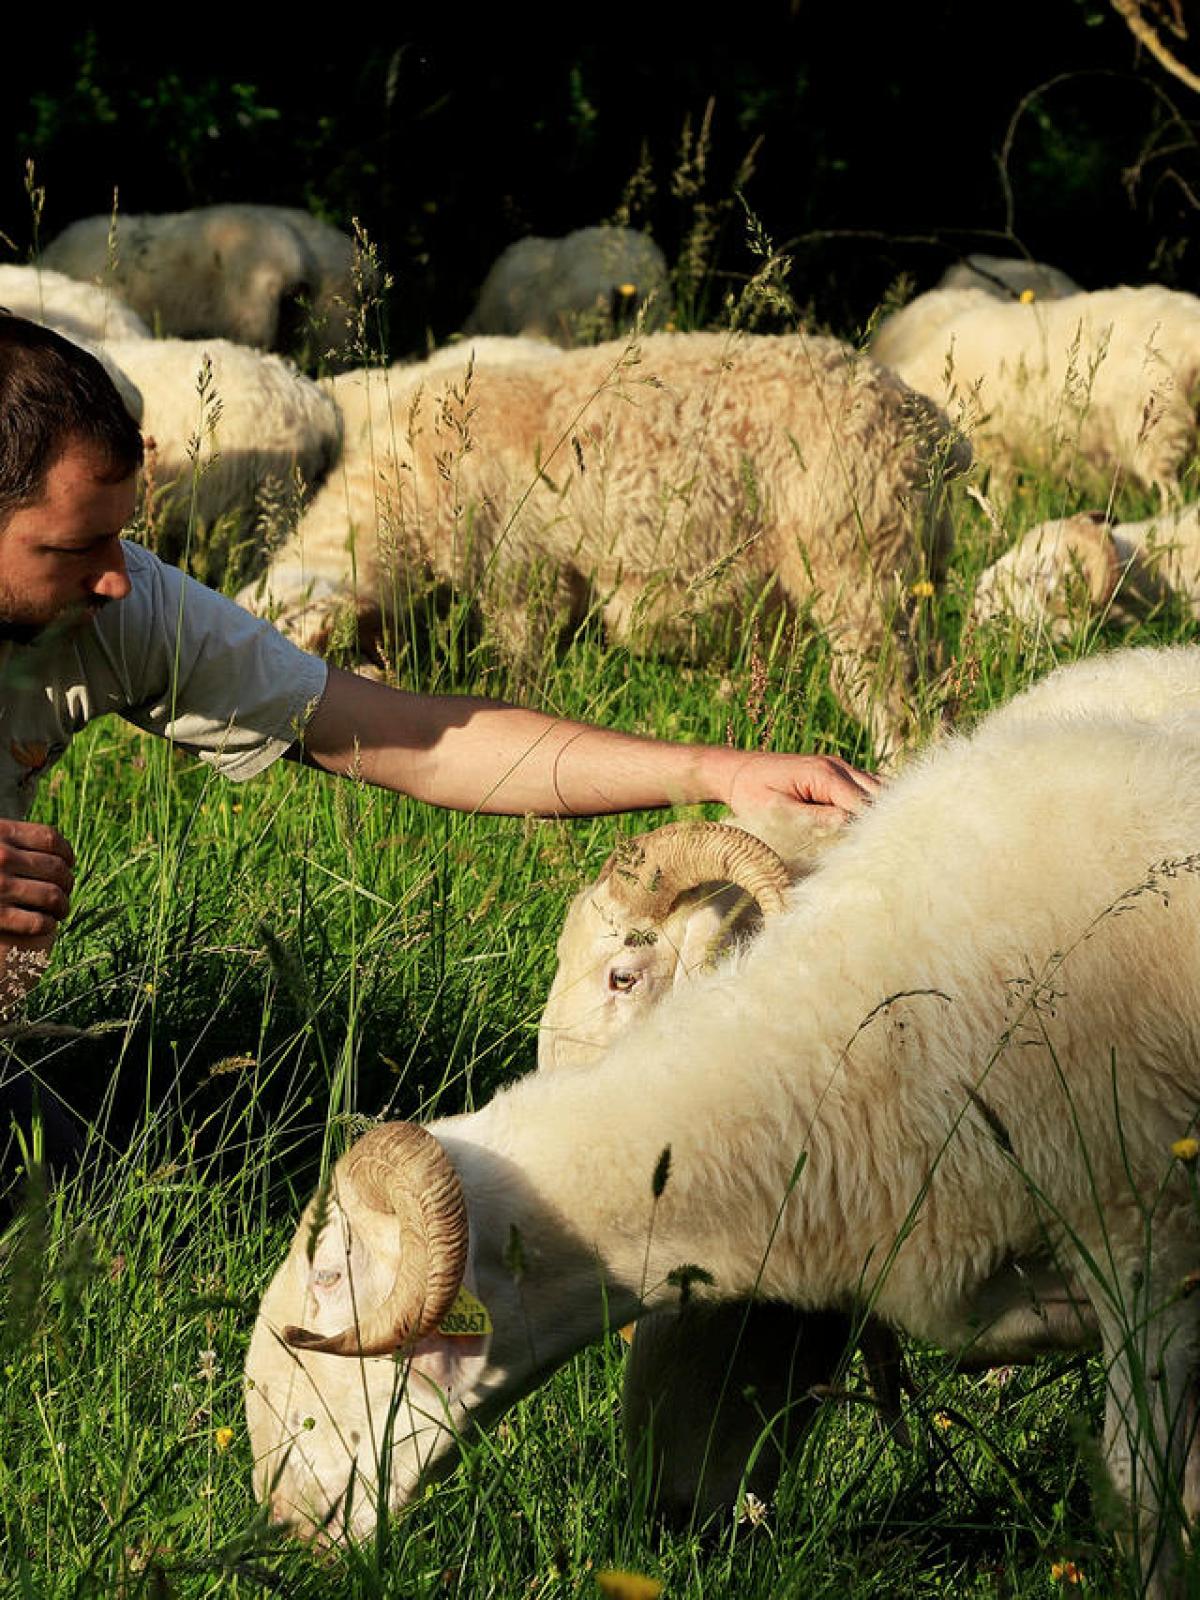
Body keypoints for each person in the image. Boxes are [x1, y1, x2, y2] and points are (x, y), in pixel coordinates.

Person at [0, 313, 877, 1013]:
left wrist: (720, 770)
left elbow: (420, 738)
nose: (117, 573)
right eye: (74, 546)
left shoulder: (116, 603)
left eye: (121, 534)